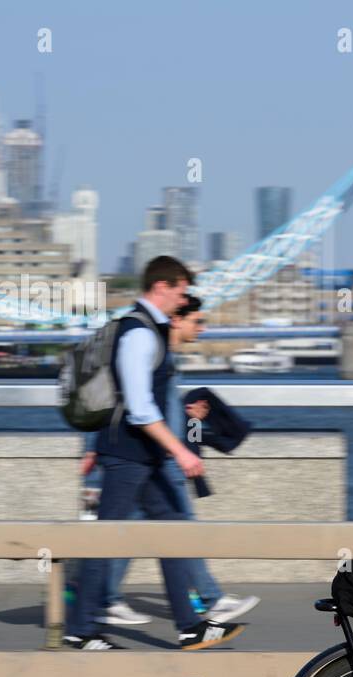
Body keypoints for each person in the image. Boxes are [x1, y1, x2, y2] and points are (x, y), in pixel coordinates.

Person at [65, 256, 244, 651]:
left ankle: (189, 626)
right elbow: (139, 407)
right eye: (180, 292)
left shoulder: (153, 331)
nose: (184, 301)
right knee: (108, 540)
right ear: (161, 287)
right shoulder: (139, 334)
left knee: (172, 531)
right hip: (128, 456)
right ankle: (81, 629)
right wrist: (180, 451)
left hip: (142, 456)